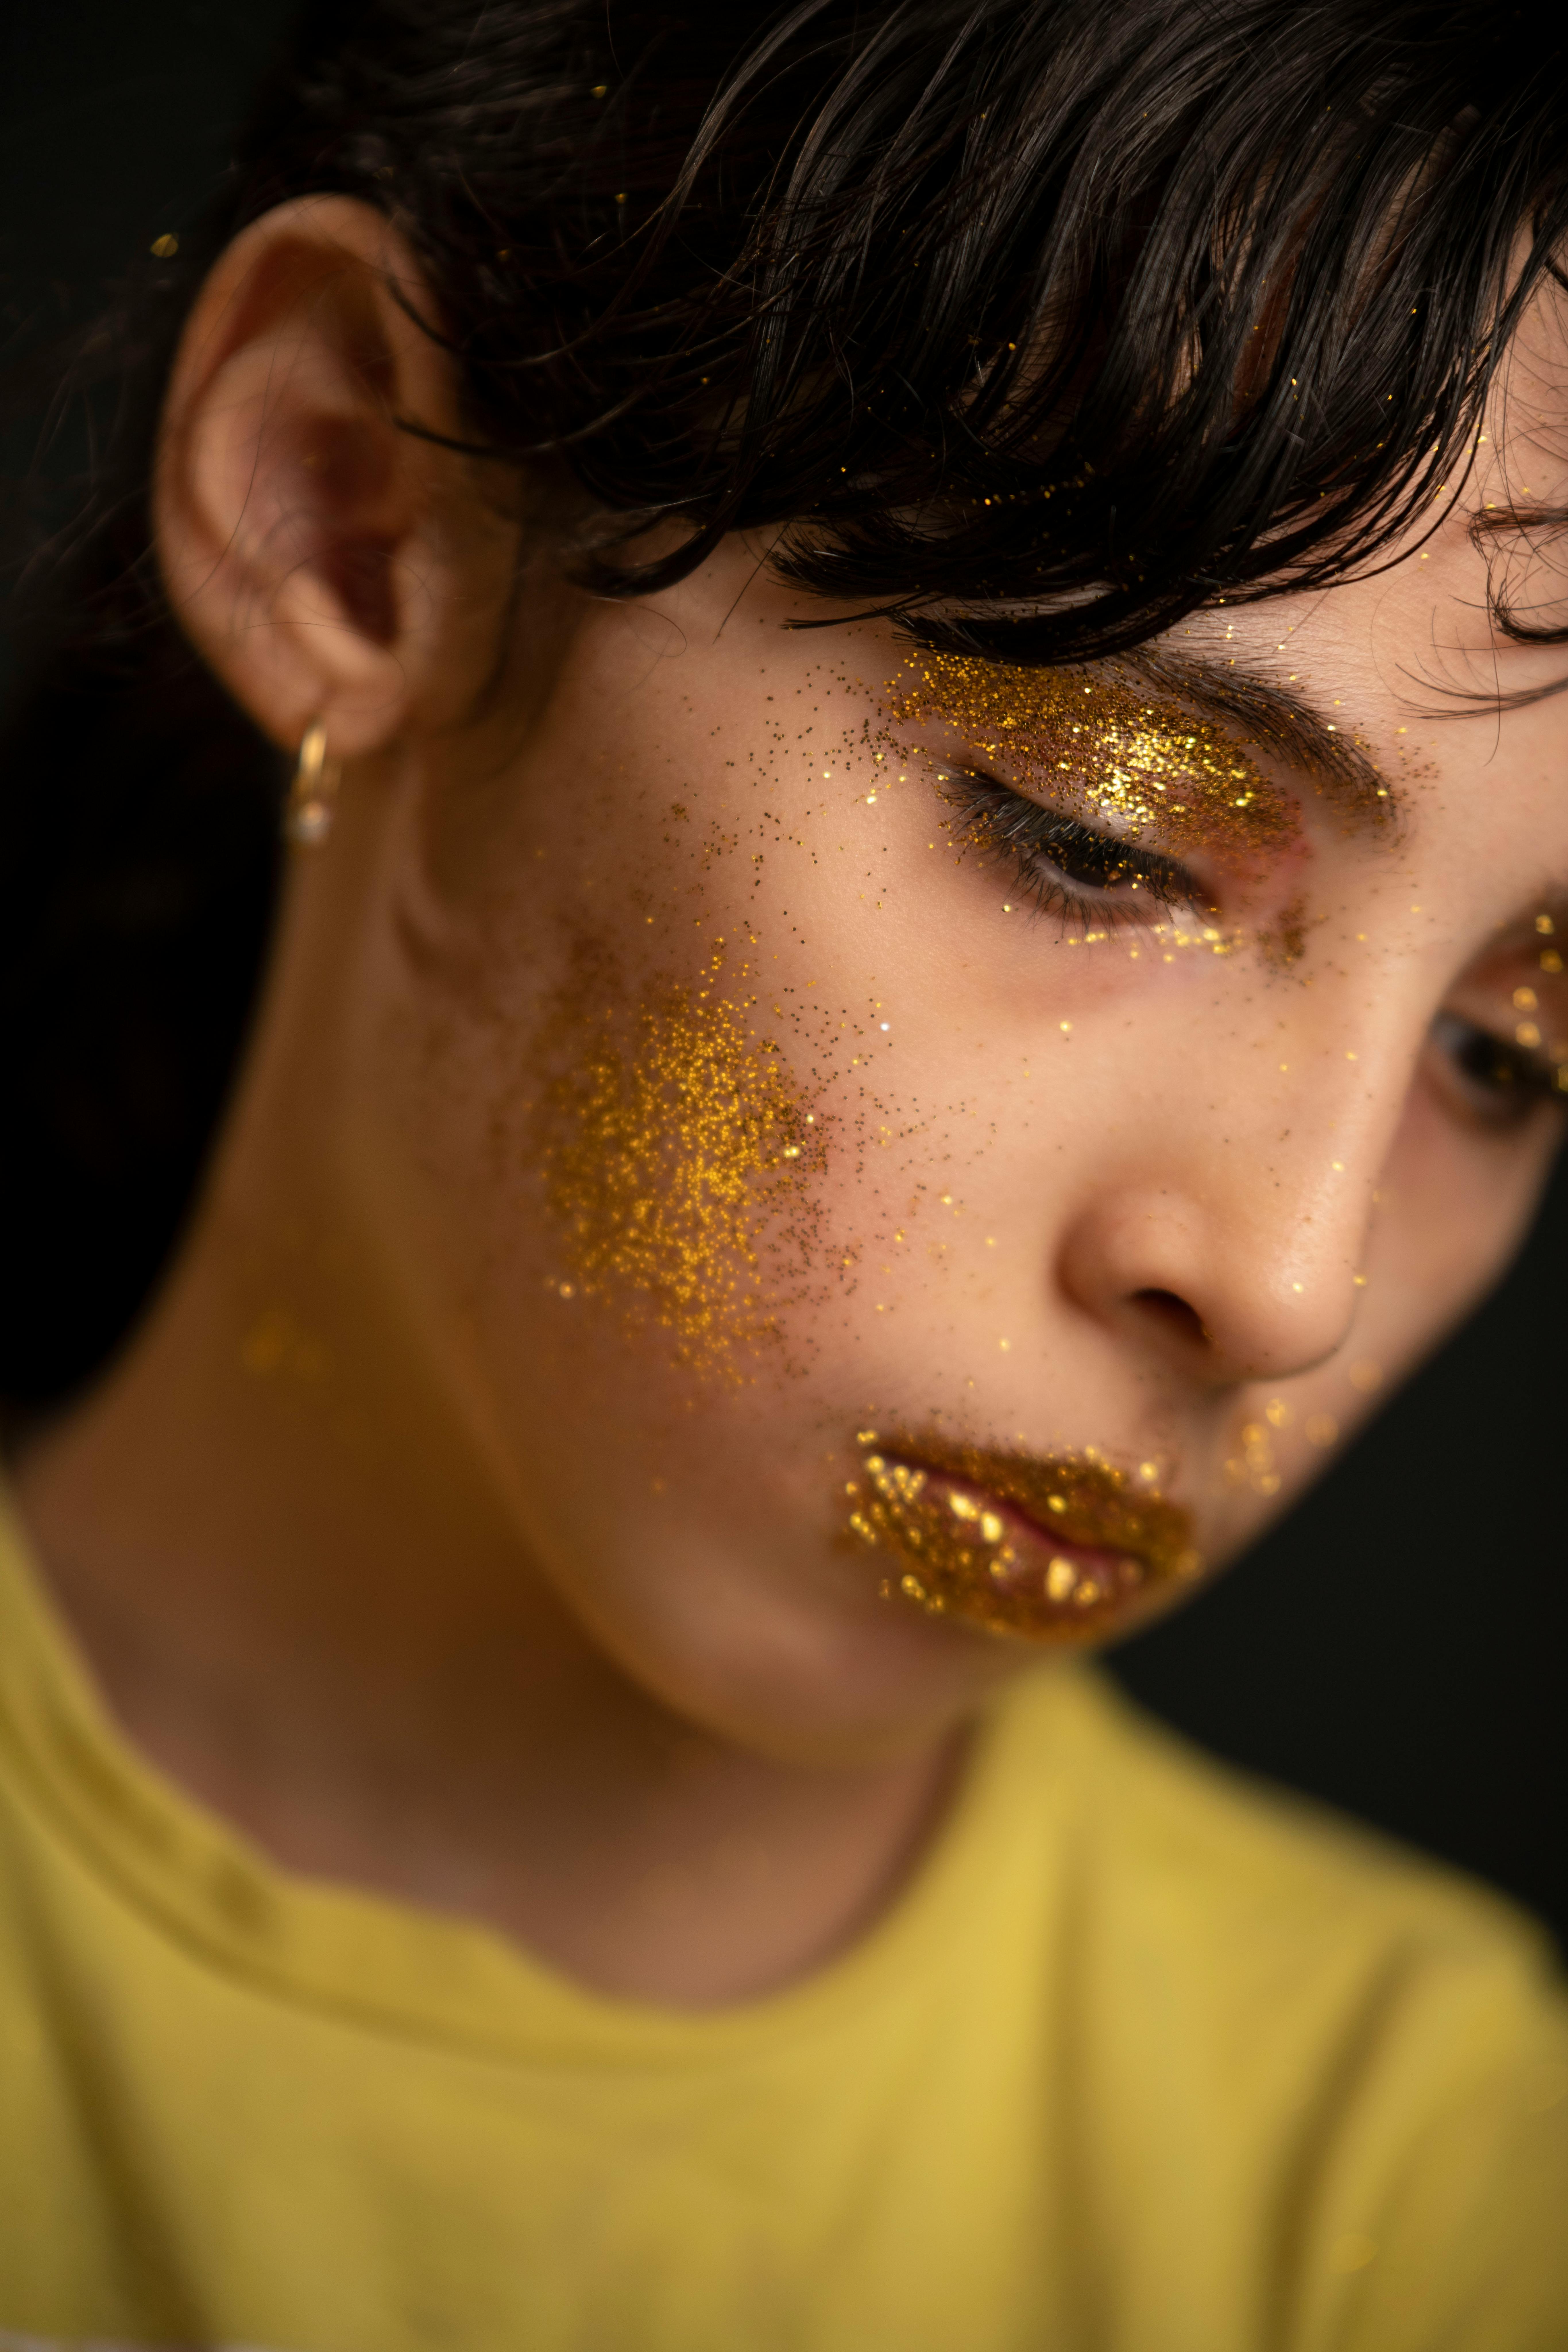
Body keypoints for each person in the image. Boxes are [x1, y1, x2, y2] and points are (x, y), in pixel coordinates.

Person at [1, 0, 1566, 2343]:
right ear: (351, 516)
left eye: (1507, 1053)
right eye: (1099, 835)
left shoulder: (1419, 2185)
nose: (1289, 1279)